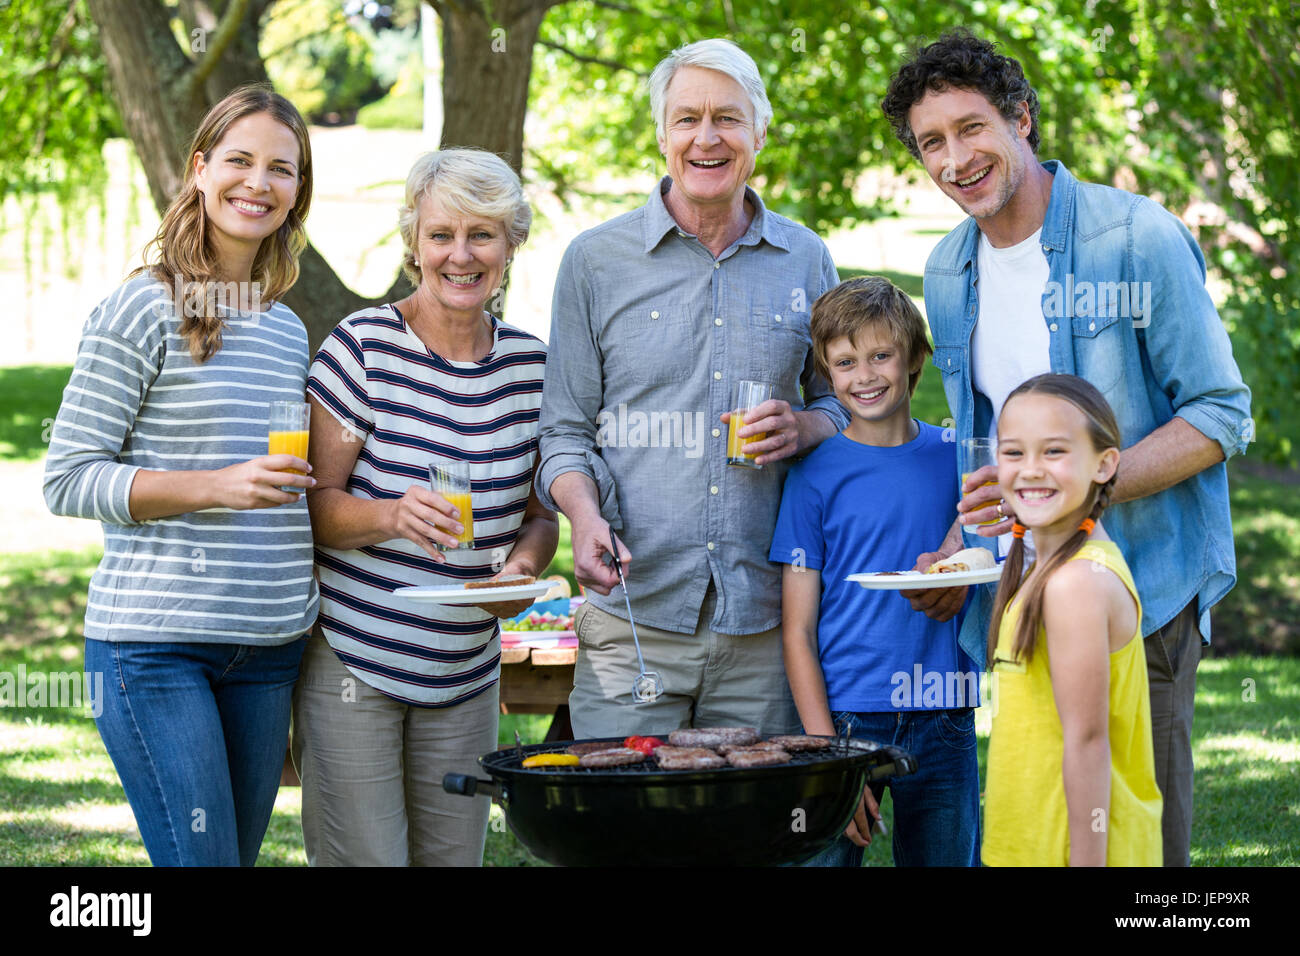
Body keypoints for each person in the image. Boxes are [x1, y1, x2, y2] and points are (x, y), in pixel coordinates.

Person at [881, 30, 1252, 866]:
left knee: (1135, 832)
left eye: (971, 128)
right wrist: (959, 544)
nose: (954, 158)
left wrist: (1087, 492)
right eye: (931, 143)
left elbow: (1222, 413)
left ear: (1022, 119)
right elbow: (993, 448)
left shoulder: (1135, 239)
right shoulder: (948, 269)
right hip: (1019, 588)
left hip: (1141, 585)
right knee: (1044, 809)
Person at [536, 38, 849, 738]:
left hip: (766, 624)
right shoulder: (595, 261)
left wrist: (807, 427)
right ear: (661, 135)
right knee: (630, 829)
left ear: (759, 134)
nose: (706, 137)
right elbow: (563, 433)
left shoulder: (805, 257)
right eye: (687, 119)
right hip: (633, 619)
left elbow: (843, 401)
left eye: (728, 119)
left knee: (757, 829)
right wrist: (583, 519)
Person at [43, 85, 318, 866]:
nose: (258, 184)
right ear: (199, 169)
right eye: (238, 160)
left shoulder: (287, 326)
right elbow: (67, 477)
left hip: (268, 650)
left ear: (298, 192)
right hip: (158, 649)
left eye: (281, 169)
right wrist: (216, 485)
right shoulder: (141, 306)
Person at [295, 148, 557, 867]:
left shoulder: (534, 367)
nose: (461, 254)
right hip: (356, 662)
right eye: (442, 234)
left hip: (468, 671)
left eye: (483, 234)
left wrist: (521, 572)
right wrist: (389, 515)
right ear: (414, 244)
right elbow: (310, 505)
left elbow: (539, 514)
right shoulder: (364, 350)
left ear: (512, 243)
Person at [770, 277, 980, 867]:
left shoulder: (959, 459)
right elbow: (797, 629)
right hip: (844, 718)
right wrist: (827, 753)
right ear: (827, 374)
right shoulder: (813, 474)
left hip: (946, 712)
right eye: (845, 362)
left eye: (881, 356)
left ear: (914, 357)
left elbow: (999, 547)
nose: (864, 376)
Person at [984, 373, 1162, 866]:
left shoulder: (1074, 584)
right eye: (1014, 453)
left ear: (1104, 464)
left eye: (1055, 452)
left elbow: (1087, 743)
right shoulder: (1055, 568)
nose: (1031, 470)